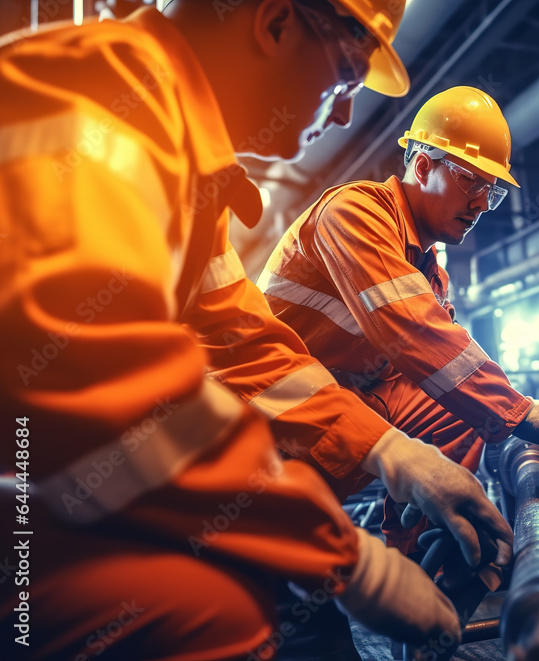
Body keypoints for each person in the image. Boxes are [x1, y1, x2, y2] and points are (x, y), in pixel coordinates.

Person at [0, 2, 507, 658]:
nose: (347, 112)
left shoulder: (177, 156)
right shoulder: (105, 104)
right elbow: (92, 375)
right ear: (274, 22)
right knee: (213, 610)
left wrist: (388, 449)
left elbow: (245, 344)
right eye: (346, 79)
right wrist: (346, 556)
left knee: (259, 588)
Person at [259, 85, 539, 554]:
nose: (482, 204)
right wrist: (523, 413)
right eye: (472, 182)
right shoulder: (355, 214)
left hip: (341, 406)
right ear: (422, 166)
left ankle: (427, 558)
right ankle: (283, 553)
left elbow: (439, 368)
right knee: (288, 586)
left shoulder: (428, 272)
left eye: (493, 191)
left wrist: (525, 408)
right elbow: (412, 329)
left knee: (462, 416)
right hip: (273, 416)